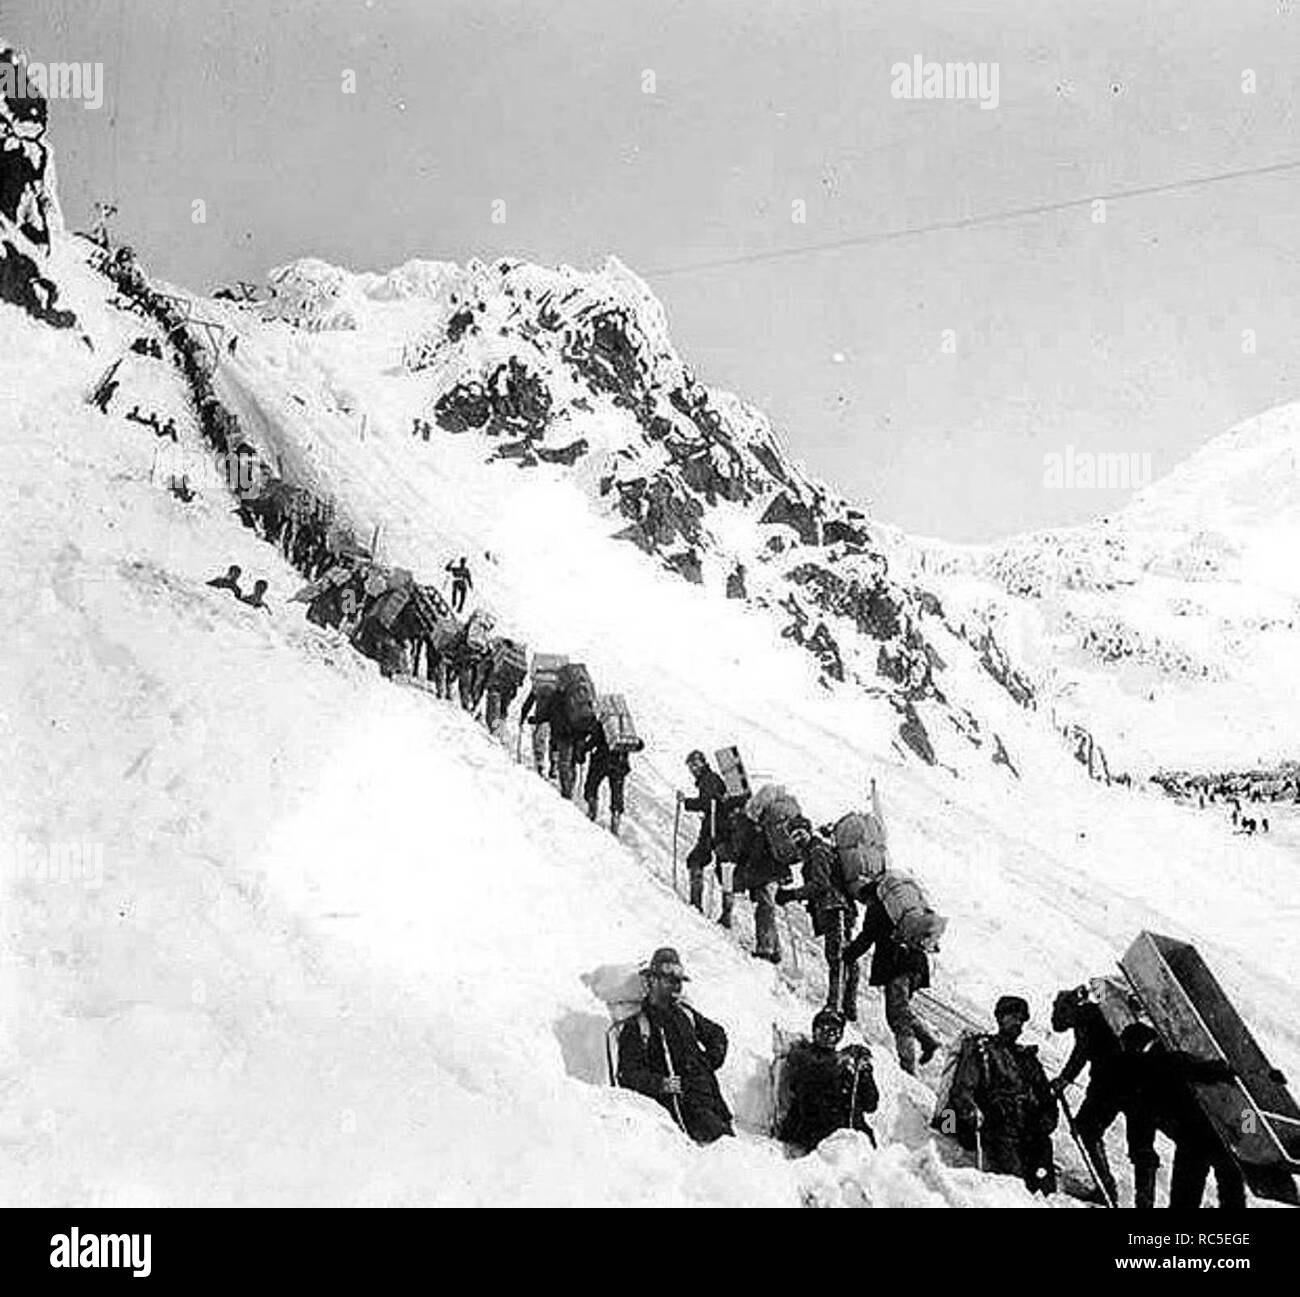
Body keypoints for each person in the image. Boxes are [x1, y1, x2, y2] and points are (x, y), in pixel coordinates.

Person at [1119, 1022, 1248, 1210]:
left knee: (1186, 1194)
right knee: (1230, 1189)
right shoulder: (1176, 1059)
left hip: (1193, 1136)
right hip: (1220, 1134)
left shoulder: (1150, 1067)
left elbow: (1144, 1114)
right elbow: (1214, 1072)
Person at [615, 947, 734, 1144]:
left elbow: (717, 1035)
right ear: (652, 981)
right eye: (670, 980)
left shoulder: (686, 1014)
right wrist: (662, 1084)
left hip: (714, 1105)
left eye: (679, 981)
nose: (677, 986)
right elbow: (628, 1074)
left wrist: (708, 1061)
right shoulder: (638, 1026)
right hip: (685, 1114)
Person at [946, 995, 1059, 1195]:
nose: (1018, 1023)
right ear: (1000, 1018)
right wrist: (972, 1115)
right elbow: (963, 1089)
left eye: (1021, 1019)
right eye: (1013, 1017)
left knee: (1044, 1189)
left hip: (1031, 1131)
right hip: (997, 1129)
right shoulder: (982, 1050)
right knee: (1014, 1189)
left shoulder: (1027, 1058)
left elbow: (1045, 1096)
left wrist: (1047, 1119)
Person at [841, 882, 941, 1071]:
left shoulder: (878, 909)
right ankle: (927, 1040)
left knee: (897, 1016)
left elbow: (867, 937)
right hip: (917, 965)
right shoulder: (902, 909)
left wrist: (848, 955)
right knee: (901, 1010)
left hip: (898, 966)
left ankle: (908, 1066)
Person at [1049, 986, 1125, 1205]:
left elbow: (1081, 1052)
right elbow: (1080, 1050)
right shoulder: (1091, 1014)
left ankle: (1106, 1189)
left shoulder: (1087, 1016)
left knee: (1087, 1128)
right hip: (1114, 1083)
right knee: (1088, 1128)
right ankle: (1106, 1186)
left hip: (1109, 1084)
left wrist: (1063, 1079)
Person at [775, 820, 858, 1017]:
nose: (797, 839)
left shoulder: (818, 851)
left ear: (808, 831)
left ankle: (835, 1005)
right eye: (793, 835)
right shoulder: (815, 851)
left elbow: (820, 886)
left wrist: (791, 894)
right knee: (845, 956)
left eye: (799, 833)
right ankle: (848, 1004)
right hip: (838, 908)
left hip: (833, 907)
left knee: (836, 957)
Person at [777, 1008, 878, 1155]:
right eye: (824, 1028)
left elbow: (870, 1105)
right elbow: (814, 1075)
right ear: (815, 1031)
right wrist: (841, 1059)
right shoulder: (802, 1055)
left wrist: (865, 1073)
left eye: (835, 1030)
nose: (830, 1034)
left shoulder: (845, 1064)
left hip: (853, 1144)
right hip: (816, 1138)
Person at [681, 751, 729, 919]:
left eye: (694, 765)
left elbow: (707, 804)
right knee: (724, 870)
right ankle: (726, 915)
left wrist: (686, 802)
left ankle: (696, 904)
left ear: (702, 763)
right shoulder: (712, 778)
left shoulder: (707, 780)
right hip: (725, 829)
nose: (692, 769)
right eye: (691, 766)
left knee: (695, 860)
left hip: (713, 828)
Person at [582, 725, 632, 836]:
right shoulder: (625, 727)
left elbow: (593, 741)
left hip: (601, 761)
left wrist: (582, 750)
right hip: (620, 763)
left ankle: (592, 811)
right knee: (617, 791)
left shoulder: (603, 724)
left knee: (592, 785)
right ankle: (616, 817)